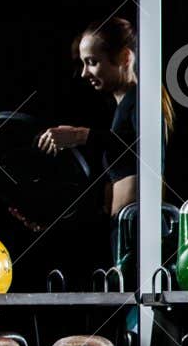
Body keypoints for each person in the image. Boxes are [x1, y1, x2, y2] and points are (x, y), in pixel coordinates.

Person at [37, 18, 173, 219]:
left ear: (125, 57)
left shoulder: (141, 98)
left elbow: (148, 154)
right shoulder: (123, 106)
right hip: (124, 230)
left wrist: (79, 135)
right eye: (83, 63)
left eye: (92, 62)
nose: (84, 73)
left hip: (138, 234)